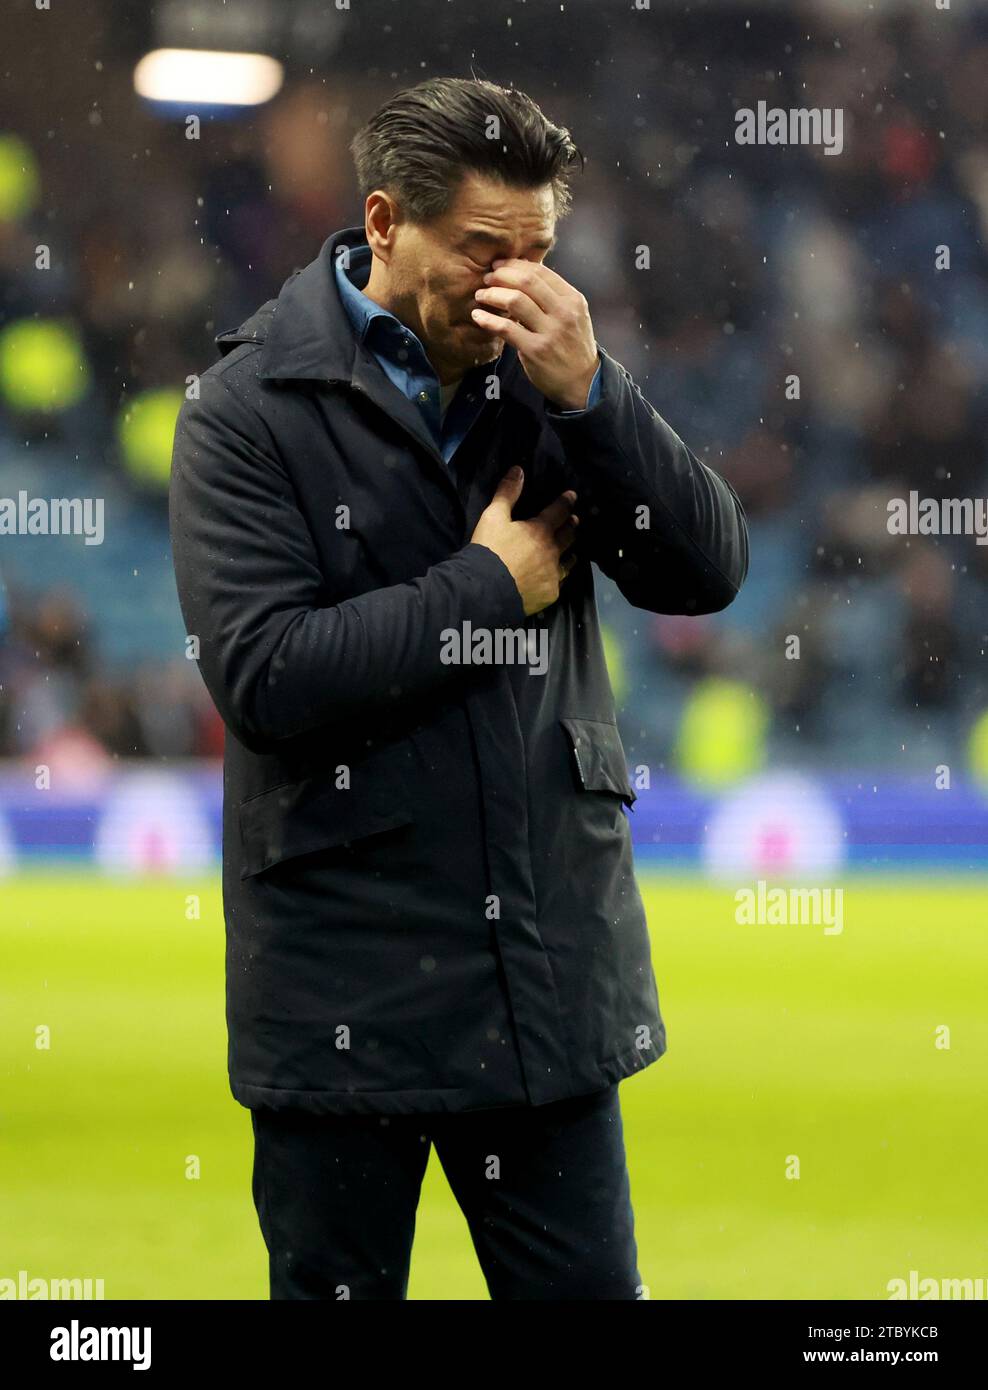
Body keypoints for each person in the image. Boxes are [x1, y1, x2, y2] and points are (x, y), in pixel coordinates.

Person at [169, 76, 749, 1300]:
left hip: (541, 982)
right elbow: (268, 677)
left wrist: (596, 393)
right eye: (483, 250)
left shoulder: (552, 377)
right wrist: (488, 585)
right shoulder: (243, 411)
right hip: (342, 995)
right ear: (383, 224)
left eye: (539, 252)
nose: (514, 283)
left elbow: (705, 571)